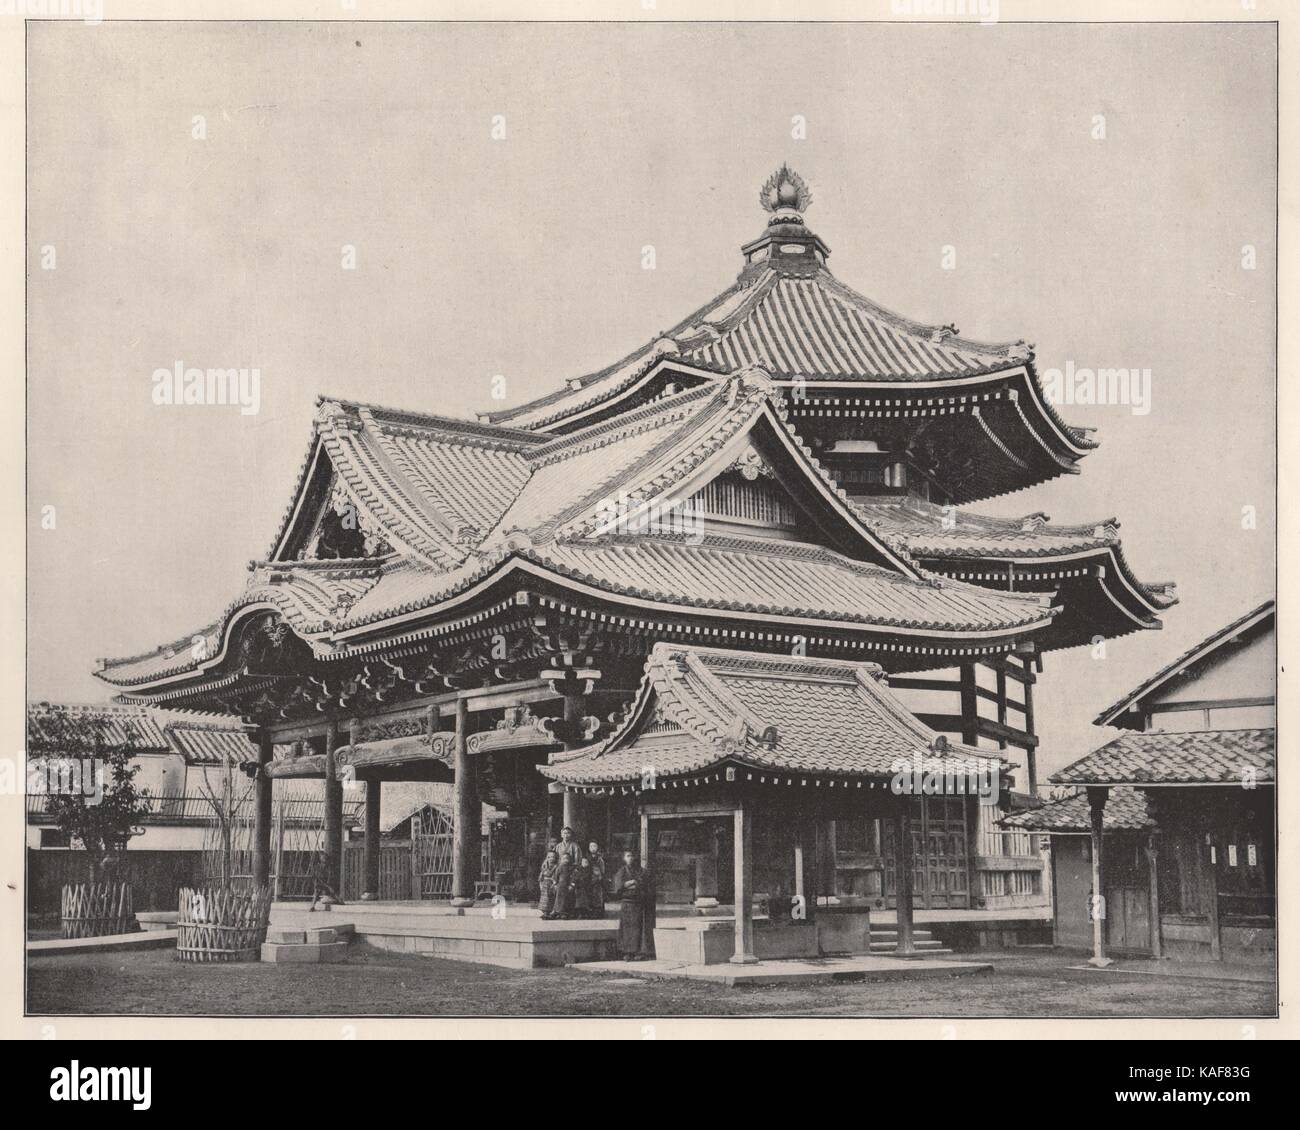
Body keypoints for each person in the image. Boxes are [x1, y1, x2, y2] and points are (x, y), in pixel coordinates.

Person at [612, 850, 656, 961]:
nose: (630, 858)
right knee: (627, 929)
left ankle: (638, 951)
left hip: (639, 903)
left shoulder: (641, 871)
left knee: (638, 928)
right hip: (627, 903)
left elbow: (643, 883)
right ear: (624, 858)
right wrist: (627, 884)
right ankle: (627, 952)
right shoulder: (621, 871)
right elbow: (618, 887)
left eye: (632, 855)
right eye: (628, 856)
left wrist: (632, 883)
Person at [551, 826, 582, 920]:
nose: (566, 835)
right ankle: (555, 910)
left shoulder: (575, 846)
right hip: (559, 872)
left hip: (571, 871)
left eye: (568, 833)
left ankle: (567, 911)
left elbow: (578, 861)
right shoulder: (558, 846)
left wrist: (574, 870)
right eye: (564, 833)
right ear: (561, 835)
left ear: (571, 835)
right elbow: (554, 859)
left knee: (570, 891)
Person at [587, 842, 607, 918]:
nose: (593, 848)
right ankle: (590, 911)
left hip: (598, 877)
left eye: (595, 846)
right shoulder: (587, 857)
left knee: (598, 895)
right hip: (589, 877)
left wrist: (600, 876)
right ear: (589, 848)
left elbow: (602, 869)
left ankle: (599, 912)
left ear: (597, 847)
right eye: (591, 846)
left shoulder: (600, 858)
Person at [537, 850, 559, 919]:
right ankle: (545, 912)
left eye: (553, 857)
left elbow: (556, 876)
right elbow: (541, 876)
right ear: (547, 857)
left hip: (551, 883)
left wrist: (554, 883)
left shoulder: (556, 866)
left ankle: (550, 913)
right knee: (544, 898)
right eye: (549, 857)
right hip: (544, 884)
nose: (551, 858)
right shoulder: (544, 866)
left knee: (551, 898)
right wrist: (541, 883)